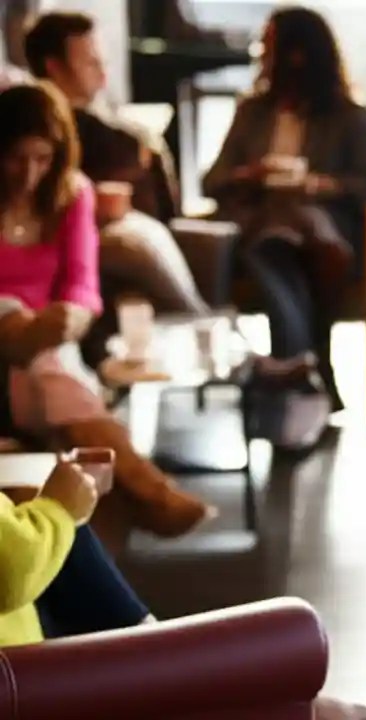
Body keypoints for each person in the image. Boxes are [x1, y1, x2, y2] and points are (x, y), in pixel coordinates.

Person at [0, 459, 366, 720]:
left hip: (25, 673)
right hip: (26, 689)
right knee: (262, 673)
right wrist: (58, 508)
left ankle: (156, 647)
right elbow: (10, 566)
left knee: (237, 691)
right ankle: (160, 652)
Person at [0, 82, 210, 537]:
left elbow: (82, 284)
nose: (29, 173)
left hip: (51, 340)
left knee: (46, 364)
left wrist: (72, 316)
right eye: (16, 158)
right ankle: (148, 489)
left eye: (42, 158)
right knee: (24, 332)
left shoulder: (73, 194)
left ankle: (120, 500)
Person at [203, 6, 366, 411]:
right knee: (275, 240)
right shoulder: (251, 112)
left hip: (324, 229)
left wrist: (318, 184)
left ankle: (295, 371)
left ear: (298, 54)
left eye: (268, 45)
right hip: (263, 224)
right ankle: (312, 366)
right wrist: (249, 175)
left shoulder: (348, 115)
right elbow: (212, 180)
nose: (260, 54)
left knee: (286, 239)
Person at [25, 12, 209, 320]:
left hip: (126, 229)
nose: (101, 72)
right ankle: (202, 324)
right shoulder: (42, 129)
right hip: (81, 233)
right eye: (90, 63)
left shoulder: (110, 128)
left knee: (144, 235)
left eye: (101, 61)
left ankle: (202, 327)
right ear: (54, 67)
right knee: (136, 240)